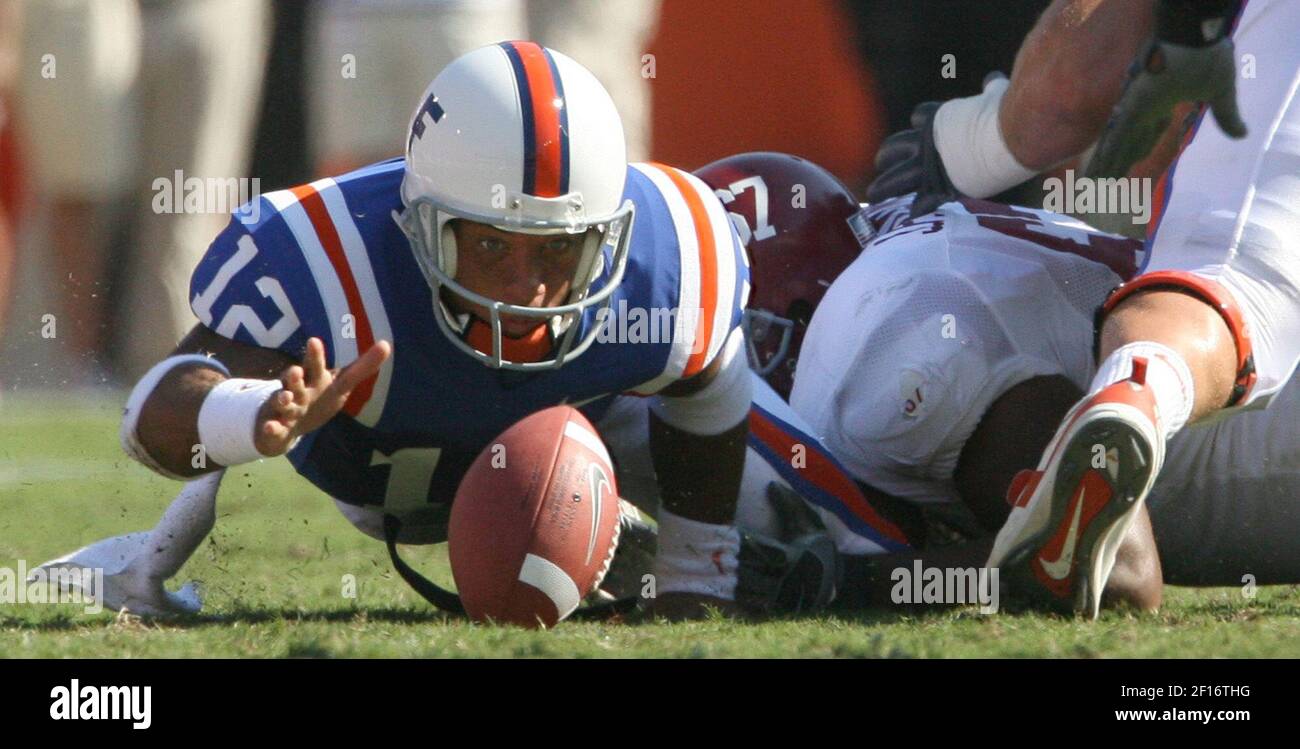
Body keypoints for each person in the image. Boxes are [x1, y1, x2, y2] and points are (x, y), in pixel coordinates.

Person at [117, 43, 752, 620]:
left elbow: (711, 382)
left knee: (780, 520)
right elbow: (150, 422)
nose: (524, 288)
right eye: (489, 245)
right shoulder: (326, 260)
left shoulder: (670, 260)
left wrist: (695, 578)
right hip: (394, 491)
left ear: (606, 236)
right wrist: (254, 411)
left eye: (557, 250)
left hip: (600, 431)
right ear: (420, 223)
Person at [865, 0, 1300, 618]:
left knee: (1233, 273)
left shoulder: (888, 310)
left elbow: (1065, 93)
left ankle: (1138, 391)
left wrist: (969, 142)